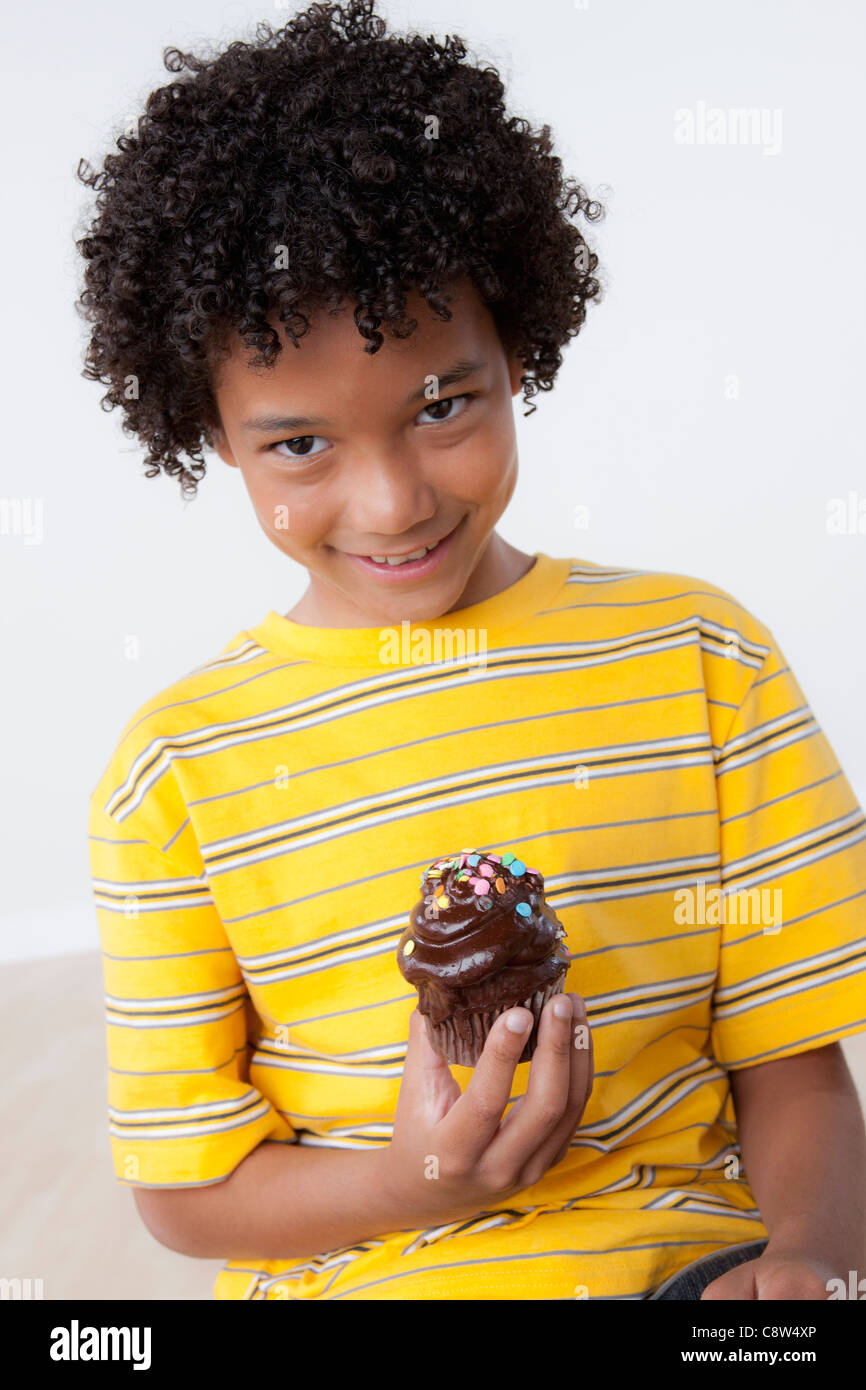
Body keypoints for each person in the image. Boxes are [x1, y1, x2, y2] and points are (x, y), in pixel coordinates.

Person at [79, 0, 866, 1300]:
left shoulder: (699, 659)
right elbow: (186, 1189)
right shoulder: (176, 770)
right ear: (209, 431)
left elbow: (790, 1067)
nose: (392, 502)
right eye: (298, 444)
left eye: (443, 404)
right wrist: (418, 1181)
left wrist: (806, 1261)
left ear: (517, 349)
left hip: (682, 1266)